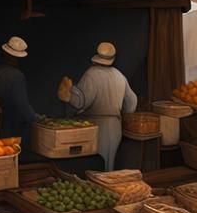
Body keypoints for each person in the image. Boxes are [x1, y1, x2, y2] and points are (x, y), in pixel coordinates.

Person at [57, 42, 138, 171]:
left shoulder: (91, 74)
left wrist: (69, 94)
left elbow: (82, 102)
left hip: (95, 125)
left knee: (95, 165)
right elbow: (132, 102)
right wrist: (122, 113)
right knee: (110, 165)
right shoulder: (119, 75)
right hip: (115, 126)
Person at [0, 36, 37, 147]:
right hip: (8, 127)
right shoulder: (16, 76)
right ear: (17, 58)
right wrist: (35, 118)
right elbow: (22, 105)